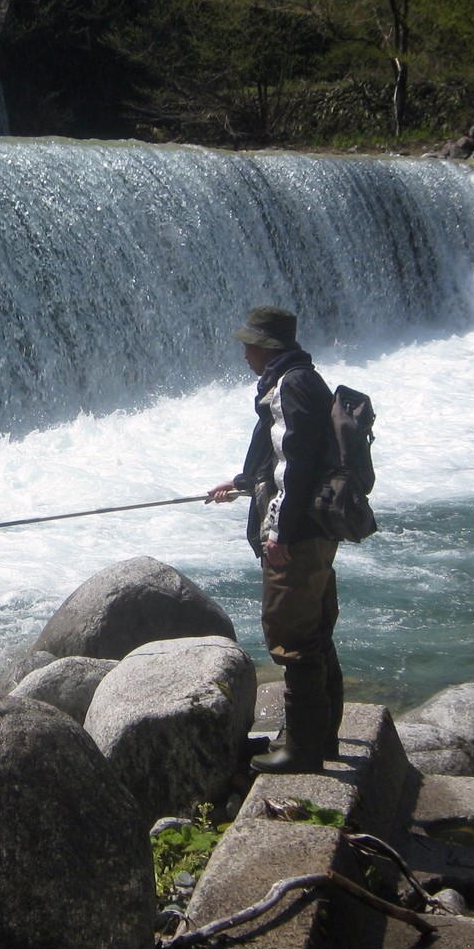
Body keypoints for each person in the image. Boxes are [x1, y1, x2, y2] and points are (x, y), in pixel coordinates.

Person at [208, 305, 344, 773]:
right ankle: (322, 739)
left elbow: (295, 464)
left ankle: (302, 753)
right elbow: (279, 448)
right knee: (316, 630)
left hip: (298, 534)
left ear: (269, 347)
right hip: (316, 529)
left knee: (292, 636)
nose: (245, 352)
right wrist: (243, 482)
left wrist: (278, 533)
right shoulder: (301, 378)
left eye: (250, 344)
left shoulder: (288, 385)